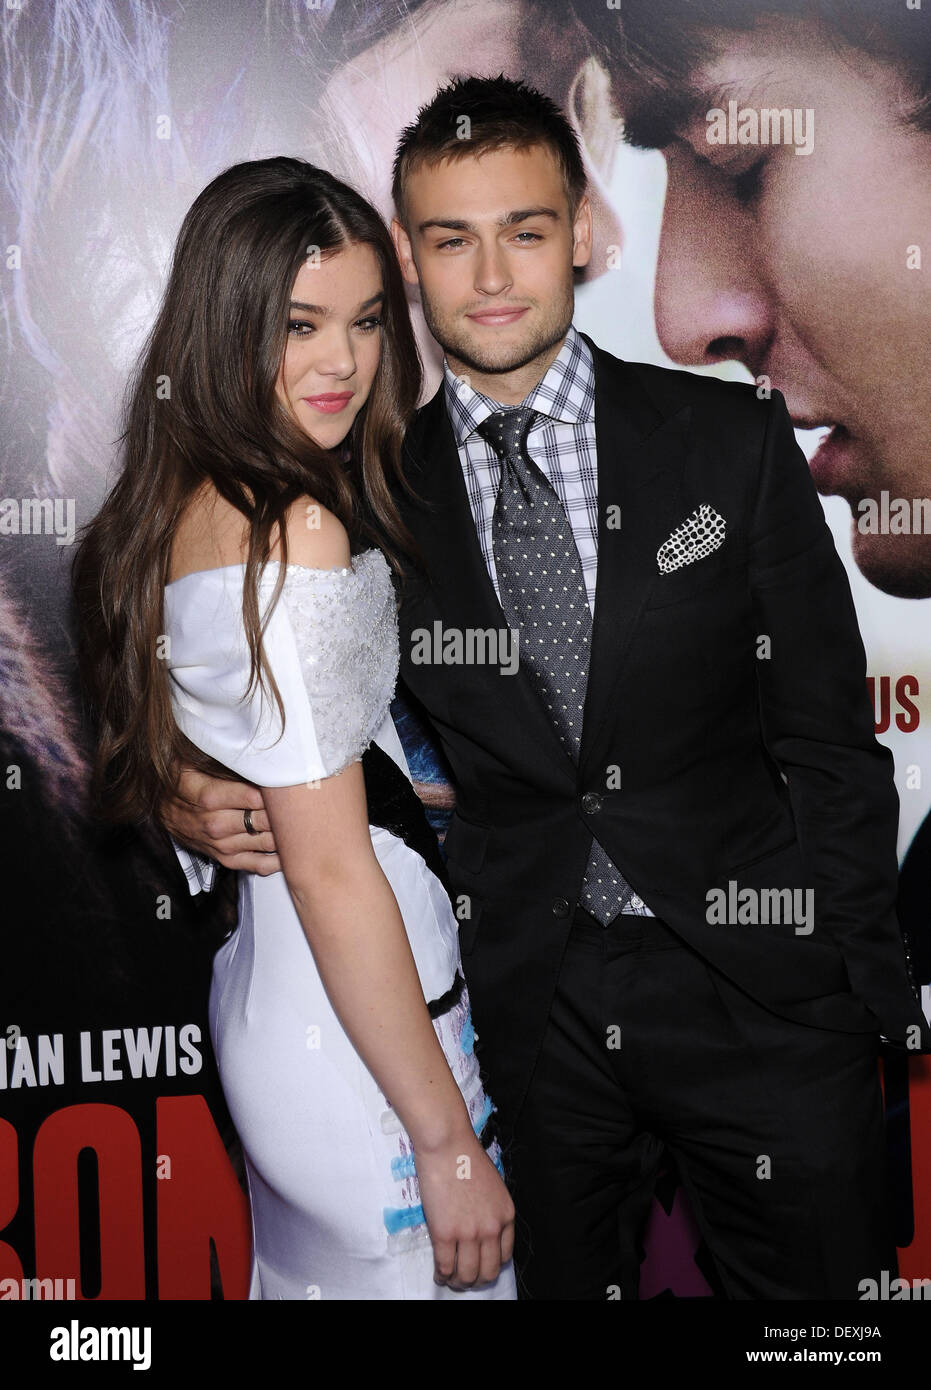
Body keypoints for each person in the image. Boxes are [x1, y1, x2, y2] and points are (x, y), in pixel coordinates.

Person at [163, 78, 928, 1300]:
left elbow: (830, 742)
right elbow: (268, 688)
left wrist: (847, 990)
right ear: (407, 258)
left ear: (580, 230)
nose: (493, 274)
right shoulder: (364, 494)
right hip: (530, 1020)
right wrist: (186, 790)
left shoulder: (727, 442)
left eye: (524, 229)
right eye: (450, 240)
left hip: (761, 997)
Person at [72, 155, 516, 1301]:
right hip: (359, 1037)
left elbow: (213, 751)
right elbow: (325, 870)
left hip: (282, 1015)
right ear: (226, 326)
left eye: (366, 321)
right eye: (300, 324)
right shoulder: (291, 525)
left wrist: (185, 789)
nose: (342, 361)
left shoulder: (177, 502)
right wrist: (447, 1141)